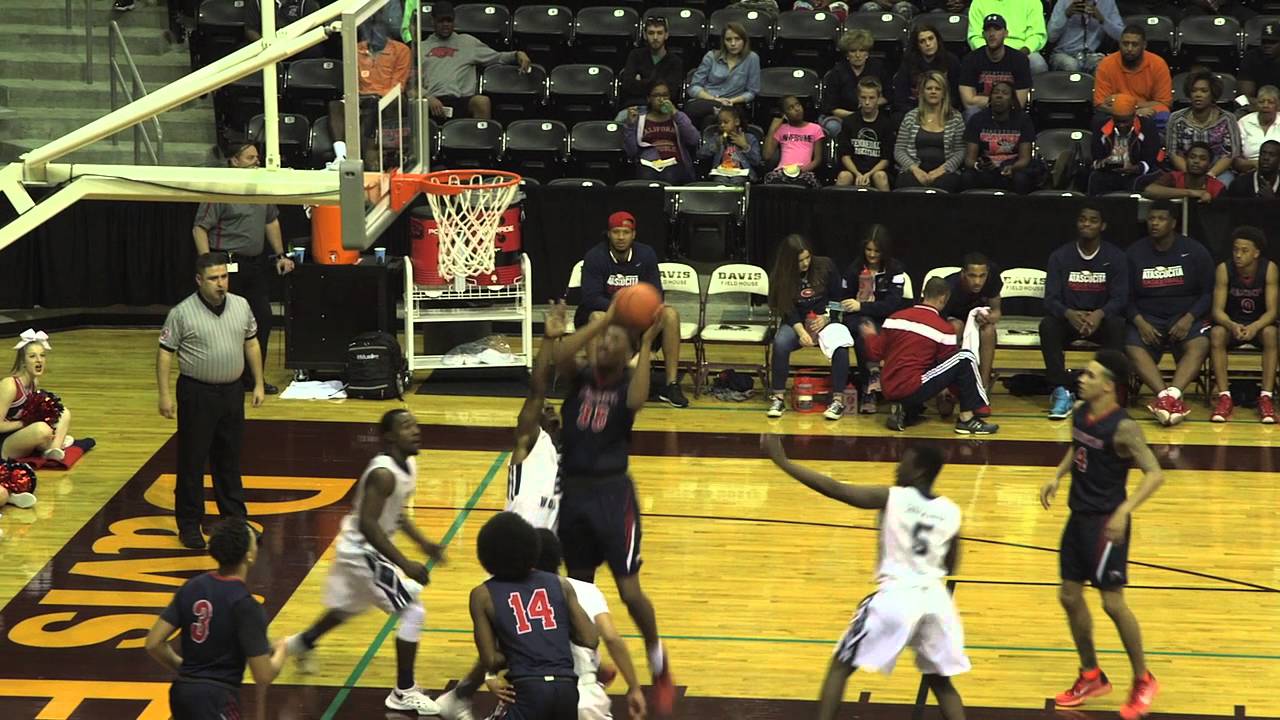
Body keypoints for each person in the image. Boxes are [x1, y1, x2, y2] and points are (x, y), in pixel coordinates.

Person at [763, 438, 969, 720]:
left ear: (920, 470)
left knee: (840, 665)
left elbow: (836, 489)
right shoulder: (951, 511)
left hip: (897, 596)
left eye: (904, 462)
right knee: (941, 682)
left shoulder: (893, 497)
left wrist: (783, 462)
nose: (897, 468)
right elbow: (951, 564)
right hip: (936, 602)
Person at [551, 300, 676, 714]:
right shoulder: (580, 377)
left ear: (628, 352)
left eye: (614, 341)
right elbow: (561, 355)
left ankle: (658, 663)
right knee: (578, 589)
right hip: (574, 493)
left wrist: (648, 341)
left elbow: (639, 399)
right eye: (603, 339)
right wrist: (602, 322)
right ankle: (589, 663)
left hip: (612, 496)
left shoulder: (627, 385)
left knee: (628, 591)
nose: (605, 344)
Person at [285, 409, 448, 715]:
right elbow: (369, 525)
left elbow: (397, 513)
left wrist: (424, 543)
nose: (415, 430)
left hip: (361, 549)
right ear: (389, 437)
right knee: (413, 611)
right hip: (362, 551)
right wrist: (406, 563)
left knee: (349, 607)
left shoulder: (408, 465)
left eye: (415, 424)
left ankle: (302, 643)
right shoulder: (383, 474)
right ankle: (403, 692)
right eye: (406, 426)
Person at [1039, 350, 1163, 719]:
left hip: (1106, 522)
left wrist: (1124, 511)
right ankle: (1091, 675)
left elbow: (1155, 474)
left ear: (1108, 386)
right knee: (1069, 595)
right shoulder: (1080, 412)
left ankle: (1143, 679)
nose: (1082, 378)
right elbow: (1077, 447)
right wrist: (1057, 475)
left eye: (1090, 375)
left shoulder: (1124, 427)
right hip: (1077, 516)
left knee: (1112, 603)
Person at [157, 252, 264, 550]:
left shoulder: (241, 305)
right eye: (214, 278)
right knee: (192, 461)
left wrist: (258, 382)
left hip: (232, 392)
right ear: (199, 280)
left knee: (229, 459)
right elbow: (165, 353)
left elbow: (251, 343)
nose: (220, 284)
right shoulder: (181, 313)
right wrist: (164, 394)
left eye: (224, 277)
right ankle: (190, 525)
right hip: (197, 393)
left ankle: (236, 523)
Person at [145, 518, 288, 720]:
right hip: (217, 699)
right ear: (249, 555)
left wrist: (187, 670)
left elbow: (153, 643)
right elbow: (263, 675)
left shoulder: (192, 587)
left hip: (181, 693)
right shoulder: (246, 606)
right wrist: (282, 650)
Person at [470, 513, 598, 720]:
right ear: (531, 547)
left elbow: (491, 660)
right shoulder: (561, 584)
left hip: (528, 691)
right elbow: (590, 638)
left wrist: (522, 649)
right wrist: (550, 640)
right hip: (566, 689)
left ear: (486, 553)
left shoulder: (482, 595)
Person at [193, 141, 294, 395]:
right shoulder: (220, 189)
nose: (256, 162)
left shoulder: (261, 187)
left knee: (262, 318)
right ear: (234, 161)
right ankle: (225, 378)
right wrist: (207, 264)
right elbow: (199, 228)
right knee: (225, 323)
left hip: (254, 265)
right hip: (226, 265)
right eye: (250, 158)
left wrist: (280, 255)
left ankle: (253, 378)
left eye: (257, 157)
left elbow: (271, 221)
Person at [574, 211, 689, 408]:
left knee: (670, 314)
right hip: (605, 312)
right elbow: (591, 298)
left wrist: (640, 310)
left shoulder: (646, 254)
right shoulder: (595, 256)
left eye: (626, 232)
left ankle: (671, 385)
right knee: (596, 317)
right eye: (616, 232)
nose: (621, 237)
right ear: (608, 234)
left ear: (633, 234)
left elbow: (657, 293)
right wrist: (624, 308)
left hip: (639, 314)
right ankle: (597, 384)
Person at [532, 528, 647, 720]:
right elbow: (611, 637)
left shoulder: (513, 598)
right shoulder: (585, 589)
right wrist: (634, 687)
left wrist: (491, 677)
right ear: (560, 558)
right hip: (583, 696)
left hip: (535, 696)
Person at [860, 276, 999, 434]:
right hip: (912, 387)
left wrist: (870, 336)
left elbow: (875, 353)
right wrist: (955, 396)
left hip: (888, 387)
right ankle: (969, 417)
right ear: (943, 298)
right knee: (965, 357)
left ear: (923, 294)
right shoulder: (943, 328)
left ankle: (905, 411)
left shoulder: (894, 318)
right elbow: (950, 369)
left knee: (922, 368)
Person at [1124, 201, 1214, 426]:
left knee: (1201, 343)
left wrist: (1189, 318)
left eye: (1161, 219)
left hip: (1184, 316)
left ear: (1173, 223)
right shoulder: (1133, 253)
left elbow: (1208, 293)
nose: (1154, 223)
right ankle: (1165, 396)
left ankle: (1171, 395)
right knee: (1131, 345)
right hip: (1147, 317)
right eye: (1151, 218)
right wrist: (1139, 322)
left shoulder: (1195, 251)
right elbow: (1124, 296)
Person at [1041, 205, 1130, 419]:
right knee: (1048, 326)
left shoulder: (1116, 257)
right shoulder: (1060, 256)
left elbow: (1120, 298)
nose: (1087, 224)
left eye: (1093, 220)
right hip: (1070, 319)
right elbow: (1050, 298)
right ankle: (1061, 391)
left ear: (1103, 225)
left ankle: (1109, 392)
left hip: (1101, 319)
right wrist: (1068, 313)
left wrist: (1100, 313)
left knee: (1118, 325)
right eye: (1082, 219)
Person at [765, 235, 851, 420]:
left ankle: (838, 400)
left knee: (840, 345)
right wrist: (801, 332)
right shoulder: (780, 276)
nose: (805, 264)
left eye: (807, 258)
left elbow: (838, 298)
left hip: (824, 318)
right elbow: (786, 309)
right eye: (799, 261)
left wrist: (827, 317)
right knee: (780, 343)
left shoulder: (825, 266)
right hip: (796, 322)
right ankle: (778, 397)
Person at [1209, 226, 1278, 423]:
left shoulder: (1269, 269)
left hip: (1259, 325)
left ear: (1256, 253)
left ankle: (1266, 397)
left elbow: (1272, 311)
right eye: (1235, 250)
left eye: (1244, 250)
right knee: (1216, 333)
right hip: (1232, 324)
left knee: (1271, 333)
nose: (1238, 255)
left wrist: (1255, 326)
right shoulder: (1224, 269)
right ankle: (1225, 397)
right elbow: (1217, 311)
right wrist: (1231, 325)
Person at [419, 1, 531, 122]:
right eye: (441, 21)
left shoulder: (468, 42)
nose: (445, 24)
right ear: (433, 21)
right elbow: (411, 84)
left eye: (449, 20)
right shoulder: (421, 47)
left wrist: (517, 54)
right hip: (429, 101)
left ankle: (481, 134)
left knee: (482, 101)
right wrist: (428, 98)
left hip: (460, 100)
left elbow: (497, 57)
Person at [325, 15, 412, 169]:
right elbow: (351, 81)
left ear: (386, 31)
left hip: (389, 98)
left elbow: (398, 86)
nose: (374, 32)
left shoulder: (401, 50)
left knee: (377, 105)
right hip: (361, 97)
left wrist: (375, 96)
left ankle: (375, 160)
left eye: (378, 28)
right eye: (369, 29)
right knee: (335, 106)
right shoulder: (355, 49)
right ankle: (341, 156)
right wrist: (354, 96)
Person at [842, 225, 909, 414]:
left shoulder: (895, 270)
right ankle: (870, 384)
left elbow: (892, 304)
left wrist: (862, 306)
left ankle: (873, 384)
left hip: (885, 318)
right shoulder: (854, 269)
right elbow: (845, 300)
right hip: (857, 319)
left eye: (877, 251)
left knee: (869, 334)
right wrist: (856, 307)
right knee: (863, 331)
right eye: (868, 249)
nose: (871, 255)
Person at [1, 330, 73, 467]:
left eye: (42, 355)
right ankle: (54, 442)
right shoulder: (10, 385)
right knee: (42, 429)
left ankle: (53, 450)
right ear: (23, 361)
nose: (39, 360)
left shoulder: (34, 382)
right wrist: (27, 422)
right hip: (4, 443)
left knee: (64, 412)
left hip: (22, 434)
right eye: (32, 356)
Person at [1165, 70, 1241, 187]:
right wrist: (1190, 176)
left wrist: (1209, 176)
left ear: (1213, 94)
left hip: (1218, 171)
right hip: (1185, 170)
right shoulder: (1176, 118)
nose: (1198, 95)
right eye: (1194, 91)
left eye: (1204, 91)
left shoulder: (1227, 119)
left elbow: (1231, 153)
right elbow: (1173, 152)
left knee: (1222, 186)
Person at [960, 81, 1038, 193]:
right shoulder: (977, 119)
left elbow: (1025, 158)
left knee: (1021, 179)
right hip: (986, 170)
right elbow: (969, 160)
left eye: (1005, 93)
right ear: (990, 98)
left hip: (1013, 168)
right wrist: (979, 165)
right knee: (967, 177)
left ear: (1012, 100)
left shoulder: (1023, 120)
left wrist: (1012, 168)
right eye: (996, 92)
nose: (999, 96)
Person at [895, 71, 966, 192]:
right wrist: (915, 170)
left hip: (945, 172)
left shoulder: (955, 118)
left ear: (944, 93)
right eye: (929, 88)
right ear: (922, 92)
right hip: (914, 171)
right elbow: (899, 149)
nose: (933, 91)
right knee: (906, 183)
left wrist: (940, 171)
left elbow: (960, 151)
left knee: (945, 185)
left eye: (937, 89)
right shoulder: (910, 117)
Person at [942, 253, 1003, 391]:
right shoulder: (950, 287)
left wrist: (987, 317)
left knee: (988, 330)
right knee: (956, 326)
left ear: (987, 272)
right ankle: (947, 384)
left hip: (977, 320)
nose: (977, 282)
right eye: (972, 276)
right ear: (963, 273)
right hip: (953, 320)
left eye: (982, 276)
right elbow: (937, 323)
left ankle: (982, 385)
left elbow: (997, 312)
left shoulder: (992, 278)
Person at [1093, 25, 1172, 129]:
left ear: (1144, 45)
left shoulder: (1158, 64)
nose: (1129, 49)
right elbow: (1100, 104)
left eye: (1135, 44)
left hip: (1146, 112)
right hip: (1116, 114)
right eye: (1125, 44)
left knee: (1164, 115)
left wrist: (1122, 102)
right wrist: (1132, 112)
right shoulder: (1106, 64)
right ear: (1119, 44)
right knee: (1099, 119)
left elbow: (1163, 103)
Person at [685, 22, 762, 129]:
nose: (733, 43)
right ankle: (718, 110)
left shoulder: (752, 58)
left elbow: (752, 92)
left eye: (737, 39)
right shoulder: (711, 57)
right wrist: (715, 100)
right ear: (723, 41)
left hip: (734, 105)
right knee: (696, 110)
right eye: (728, 40)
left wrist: (732, 101)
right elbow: (694, 87)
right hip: (708, 101)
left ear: (744, 40)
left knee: (709, 118)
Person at [624, 80, 700, 185]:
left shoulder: (678, 117)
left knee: (670, 175)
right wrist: (631, 126)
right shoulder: (640, 120)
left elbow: (694, 140)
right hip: (648, 165)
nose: (661, 99)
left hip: (675, 164)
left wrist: (675, 114)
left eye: (665, 95)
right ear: (649, 99)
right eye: (656, 96)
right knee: (648, 177)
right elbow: (631, 152)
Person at [958, 14, 1033, 118]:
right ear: (983, 34)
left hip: (1010, 114)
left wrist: (981, 100)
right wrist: (1003, 101)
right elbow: (968, 102)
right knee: (970, 113)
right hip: (980, 114)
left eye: (997, 29)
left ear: (1006, 33)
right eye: (988, 30)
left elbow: (1019, 103)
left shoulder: (1019, 59)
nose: (992, 34)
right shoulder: (970, 59)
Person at [1087, 94, 1161, 196]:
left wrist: (1136, 168)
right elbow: (1096, 157)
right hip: (1110, 172)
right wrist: (1105, 163)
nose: (1121, 125)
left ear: (1134, 116)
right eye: (1117, 121)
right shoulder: (1100, 126)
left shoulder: (1147, 126)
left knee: (1139, 182)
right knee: (1095, 177)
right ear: (1112, 117)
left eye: (1125, 121)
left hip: (1137, 172)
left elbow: (1150, 159)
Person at [820, 30, 889, 137]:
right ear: (847, 54)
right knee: (833, 126)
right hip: (843, 116)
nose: (858, 55)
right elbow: (832, 108)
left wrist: (870, 105)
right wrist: (856, 116)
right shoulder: (837, 72)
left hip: (872, 116)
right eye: (853, 51)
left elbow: (888, 96)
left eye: (862, 50)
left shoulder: (878, 68)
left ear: (867, 53)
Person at [616, 16, 685, 120]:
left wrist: (641, 82)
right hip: (636, 107)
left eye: (659, 33)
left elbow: (672, 92)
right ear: (645, 35)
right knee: (620, 119)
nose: (655, 37)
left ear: (666, 35)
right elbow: (628, 85)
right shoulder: (635, 55)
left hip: (663, 108)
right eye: (651, 33)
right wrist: (658, 84)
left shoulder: (675, 61)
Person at [836, 77, 895, 191]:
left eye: (871, 98)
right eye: (863, 97)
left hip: (876, 170)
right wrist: (857, 174)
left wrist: (869, 174)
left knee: (880, 176)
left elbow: (886, 159)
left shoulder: (887, 123)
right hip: (853, 170)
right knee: (844, 176)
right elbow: (845, 155)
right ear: (858, 97)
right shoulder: (849, 121)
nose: (867, 102)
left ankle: (887, 203)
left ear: (879, 98)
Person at [892, 23, 963, 114]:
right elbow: (900, 96)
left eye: (931, 38)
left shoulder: (951, 60)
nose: (928, 44)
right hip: (914, 110)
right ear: (917, 45)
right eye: (922, 41)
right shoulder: (908, 62)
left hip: (944, 110)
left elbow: (955, 95)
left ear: (937, 40)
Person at [966, 3, 1047, 75]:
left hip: (1022, 50)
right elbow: (975, 36)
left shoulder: (1032, 2)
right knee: (970, 60)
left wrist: (1021, 53)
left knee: (1038, 64)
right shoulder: (978, 2)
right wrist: (989, 53)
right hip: (988, 50)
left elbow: (1037, 34)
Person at [763, 95, 825, 188]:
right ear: (784, 114)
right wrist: (772, 129)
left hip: (804, 171)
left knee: (803, 183)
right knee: (773, 181)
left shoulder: (815, 128)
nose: (797, 109)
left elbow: (817, 159)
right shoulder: (781, 129)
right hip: (782, 171)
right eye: (791, 108)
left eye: (798, 105)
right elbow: (767, 155)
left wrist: (801, 170)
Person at [1047, 0, 1124, 72]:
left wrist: (1103, 20)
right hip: (1063, 54)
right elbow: (1050, 37)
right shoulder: (1064, 1)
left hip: (1090, 55)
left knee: (1105, 65)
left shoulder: (1107, 2)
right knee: (1070, 65)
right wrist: (1065, 15)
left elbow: (1121, 36)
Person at [697, 106, 763, 184]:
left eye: (726, 122)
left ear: (737, 122)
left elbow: (756, 161)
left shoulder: (749, 138)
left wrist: (745, 146)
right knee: (720, 181)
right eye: (720, 123)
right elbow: (700, 155)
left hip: (741, 173)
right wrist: (715, 145)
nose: (722, 125)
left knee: (737, 181)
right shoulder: (716, 138)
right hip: (721, 173)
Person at [1143, 141, 1226, 203]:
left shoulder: (1218, 187)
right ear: (1186, 160)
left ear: (1210, 165)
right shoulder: (1173, 177)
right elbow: (1148, 191)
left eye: (1203, 159)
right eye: (1192, 157)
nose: (1196, 161)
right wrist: (1191, 193)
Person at [1234, 86, 1280, 175]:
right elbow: (1236, 159)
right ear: (1256, 104)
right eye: (1261, 102)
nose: (1265, 105)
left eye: (1270, 102)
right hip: (1249, 171)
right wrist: (1253, 164)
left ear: (1278, 106)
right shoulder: (1244, 122)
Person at [1237, 22, 1280, 108]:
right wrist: (1267, 106)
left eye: (1272, 42)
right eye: (1264, 42)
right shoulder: (1251, 57)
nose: (1267, 46)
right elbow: (1243, 97)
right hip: (1256, 108)